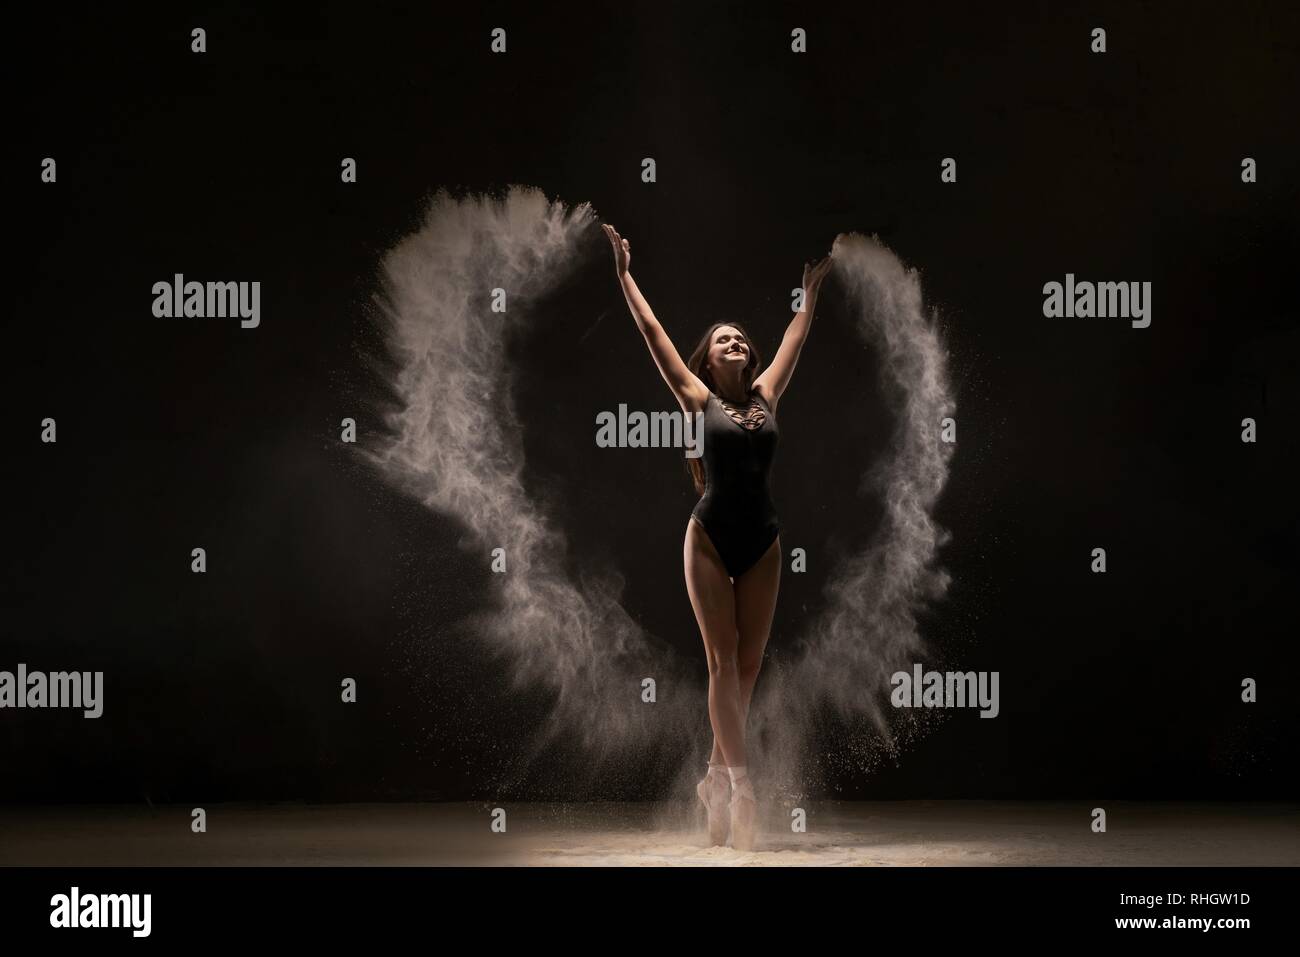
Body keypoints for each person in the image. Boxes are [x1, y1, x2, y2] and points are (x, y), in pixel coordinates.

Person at [602, 223, 832, 850]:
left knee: (749, 668)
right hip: (708, 537)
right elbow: (654, 335)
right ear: (706, 359)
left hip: (763, 541)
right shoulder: (694, 396)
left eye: (740, 338)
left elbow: (795, 338)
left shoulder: (767, 395)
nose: (735, 342)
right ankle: (741, 784)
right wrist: (624, 274)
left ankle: (708, 777)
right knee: (722, 661)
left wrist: (807, 296)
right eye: (722, 339)